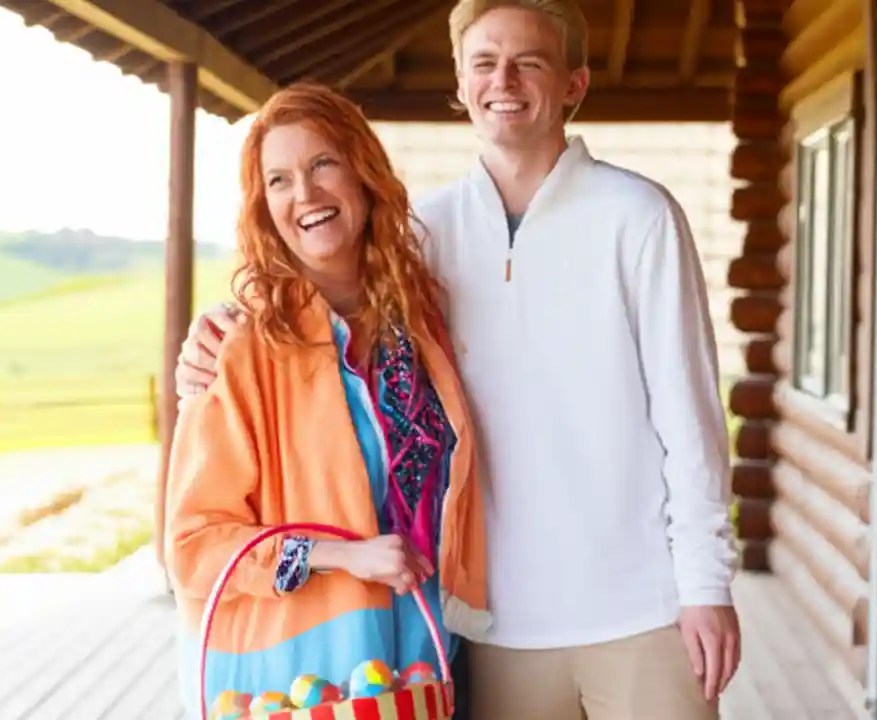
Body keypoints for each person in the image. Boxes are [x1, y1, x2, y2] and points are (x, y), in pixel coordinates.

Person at [176, 1, 741, 718]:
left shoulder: (638, 216)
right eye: (484, 63)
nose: (503, 80)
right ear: (461, 82)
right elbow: (315, 300)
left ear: (574, 83)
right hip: (488, 626)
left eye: (528, 62)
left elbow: (690, 418)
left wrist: (706, 584)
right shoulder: (424, 240)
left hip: (641, 608)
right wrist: (213, 339)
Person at [163, 83, 490, 714]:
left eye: (322, 164)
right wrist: (338, 555)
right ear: (264, 206)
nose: (305, 194)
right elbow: (193, 546)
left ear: (363, 173)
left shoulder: (423, 321)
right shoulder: (239, 347)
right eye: (279, 180)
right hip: (298, 680)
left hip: (422, 658)